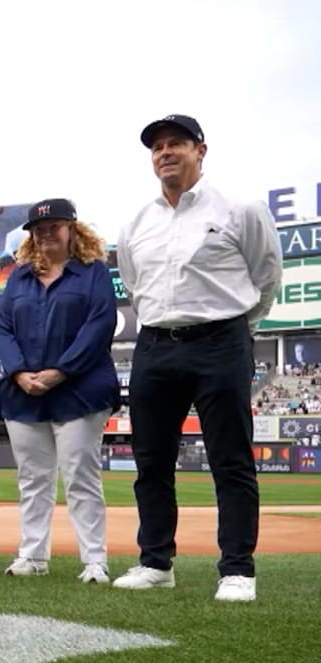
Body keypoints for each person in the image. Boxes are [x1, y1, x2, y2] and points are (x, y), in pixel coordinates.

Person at [114, 115, 281, 602]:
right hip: (156, 344)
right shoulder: (137, 223)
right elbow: (136, 284)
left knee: (230, 459)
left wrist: (236, 332)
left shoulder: (239, 209)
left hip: (221, 341)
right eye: (157, 147)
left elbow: (266, 277)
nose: (165, 153)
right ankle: (155, 561)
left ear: (200, 151)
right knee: (151, 460)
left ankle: (237, 569)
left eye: (176, 144)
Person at [0, 198, 119, 584]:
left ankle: (94, 560)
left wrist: (59, 372)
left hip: (79, 389)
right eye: (39, 229)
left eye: (55, 227)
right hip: (23, 391)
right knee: (33, 478)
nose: (46, 234)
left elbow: (100, 325)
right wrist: (18, 373)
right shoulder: (19, 276)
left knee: (81, 476)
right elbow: (4, 327)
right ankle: (32, 555)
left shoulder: (94, 272)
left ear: (72, 231)